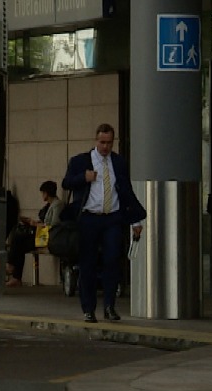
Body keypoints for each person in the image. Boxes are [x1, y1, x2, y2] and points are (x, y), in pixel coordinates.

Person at [62, 123, 146, 323]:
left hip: (112, 217)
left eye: (109, 143)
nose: (105, 147)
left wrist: (136, 219)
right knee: (88, 264)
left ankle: (109, 306)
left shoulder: (118, 162)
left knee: (112, 261)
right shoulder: (81, 161)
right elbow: (66, 183)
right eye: (102, 142)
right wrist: (84, 177)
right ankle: (88, 309)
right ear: (95, 140)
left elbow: (126, 191)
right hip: (89, 218)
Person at [6, 180, 65, 287]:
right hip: (43, 235)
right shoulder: (51, 205)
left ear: (46, 193)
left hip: (48, 237)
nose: (42, 195)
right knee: (20, 244)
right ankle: (16, 277)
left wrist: (35, 224)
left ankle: (11, 266)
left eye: (43, 193)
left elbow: (53, 225)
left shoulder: (57, 205)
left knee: (19, 238)